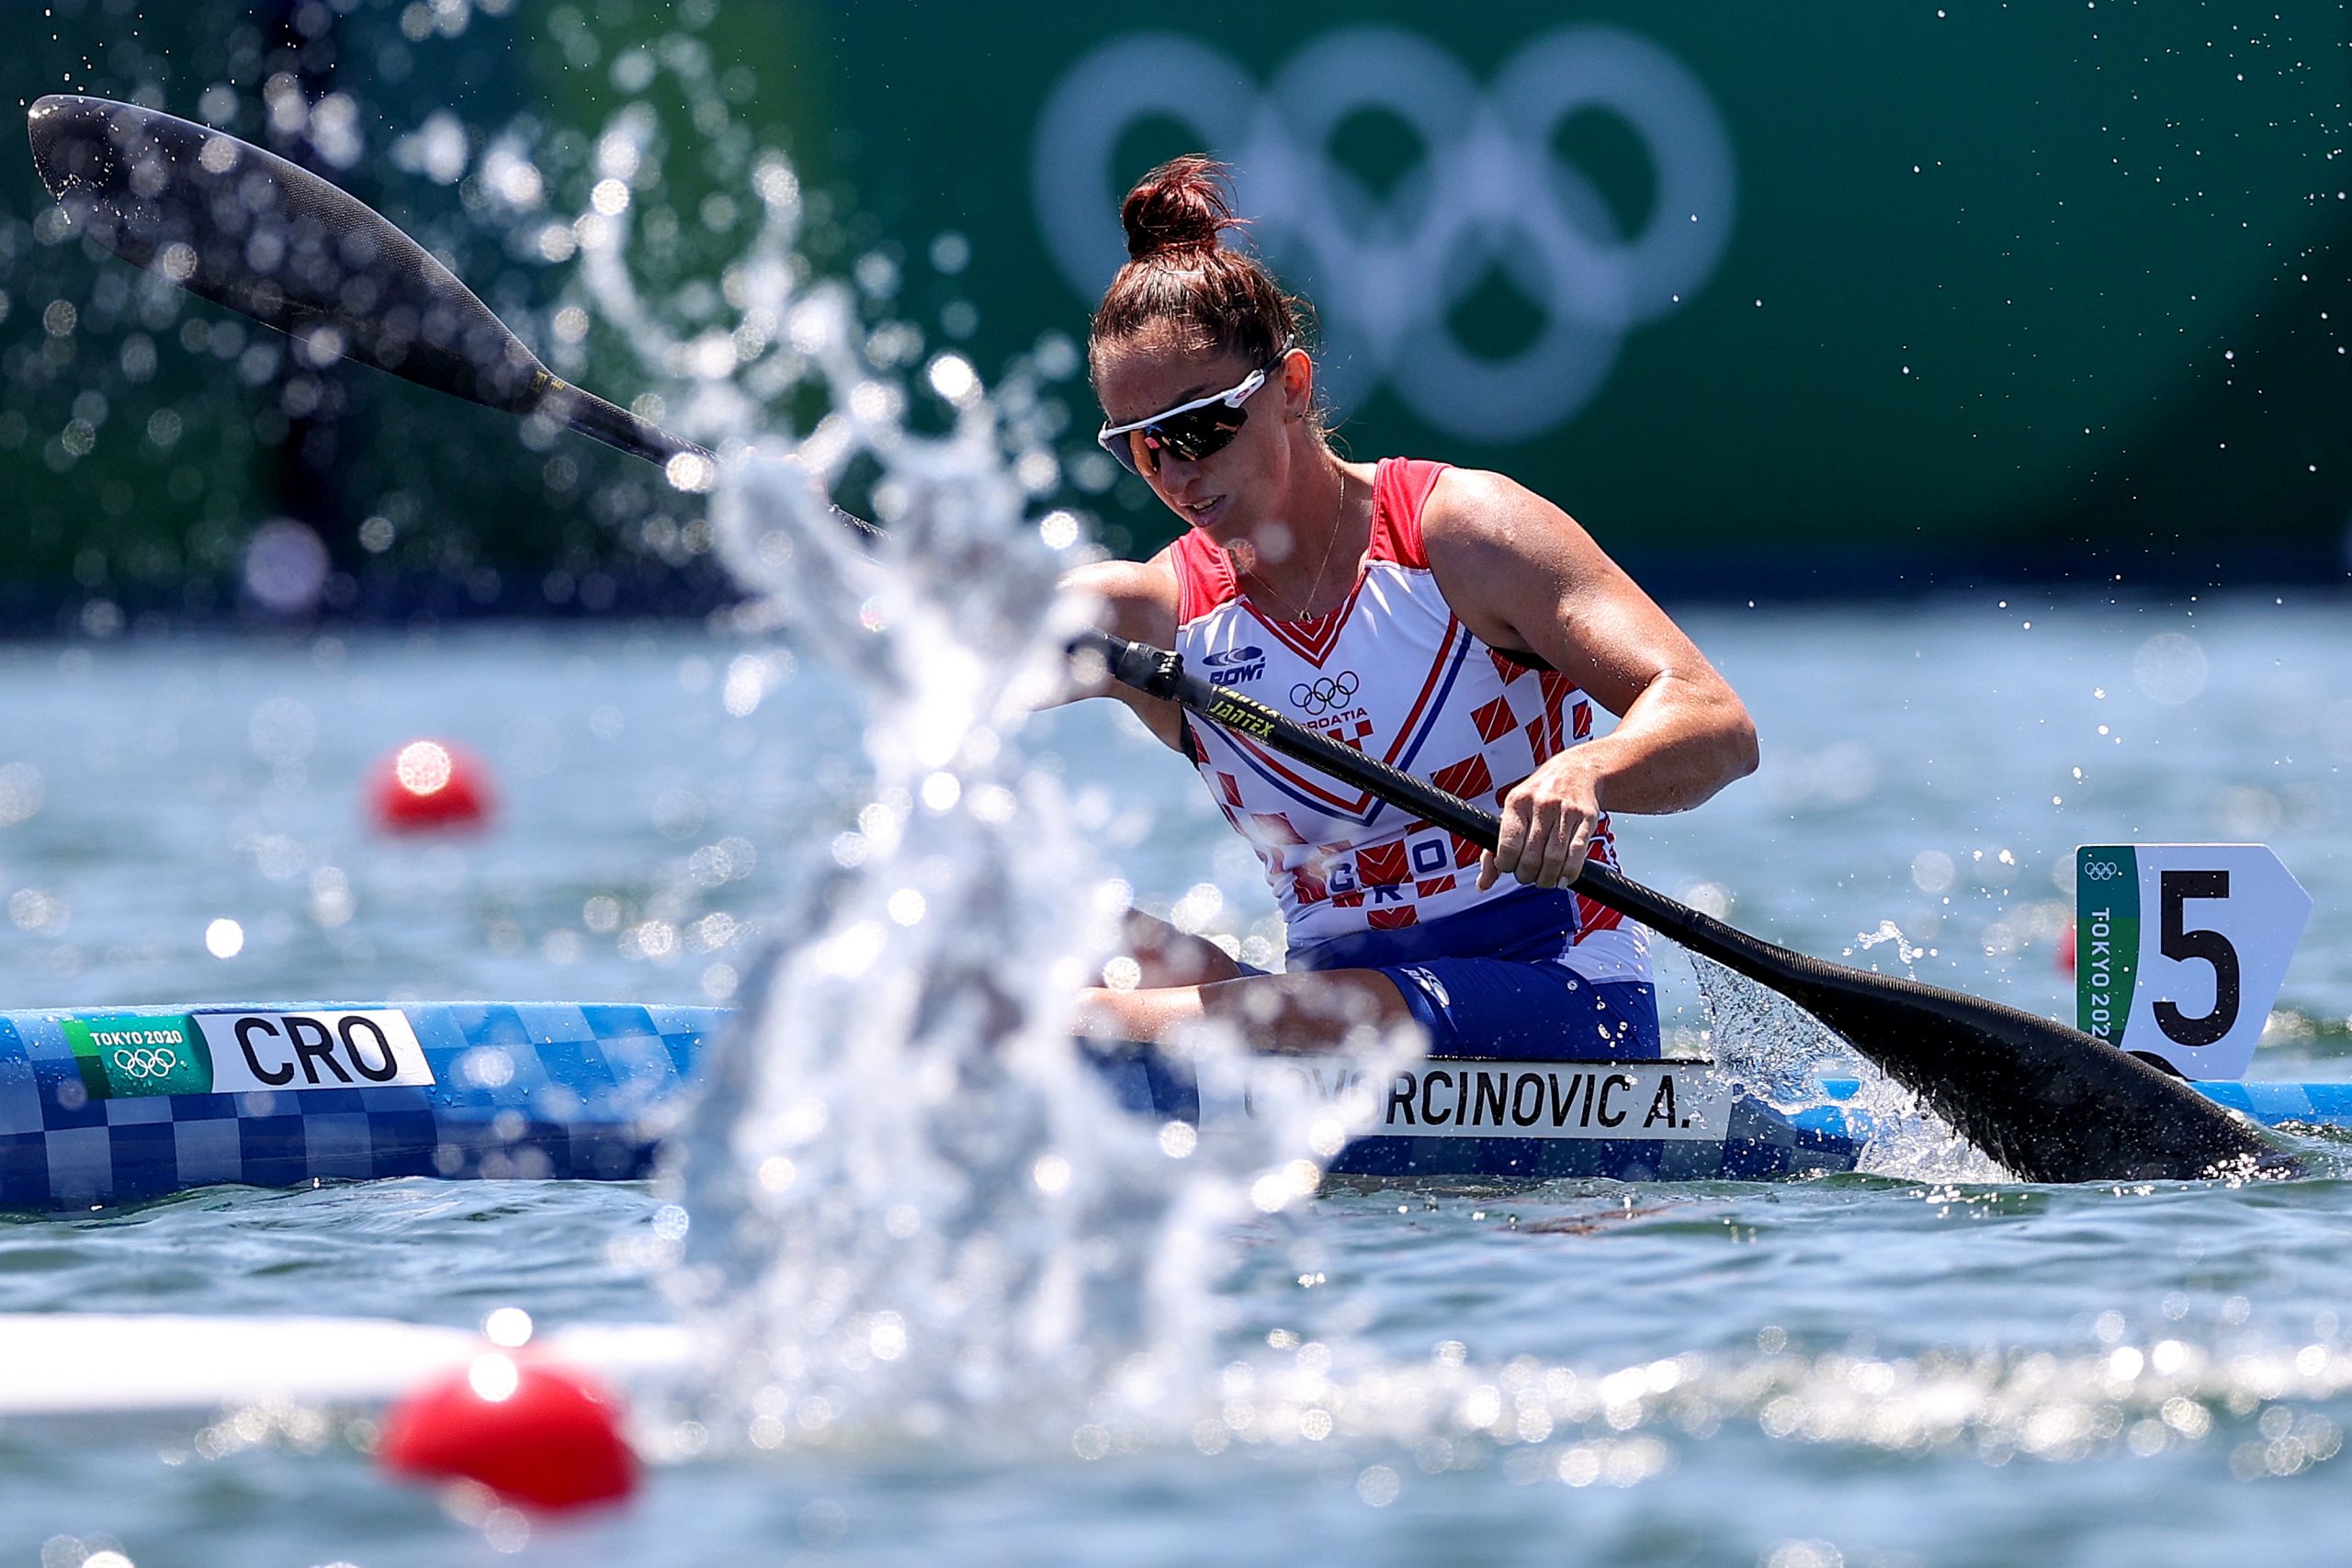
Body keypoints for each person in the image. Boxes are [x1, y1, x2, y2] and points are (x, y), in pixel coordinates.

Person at [1067, 156, 1757, 1060]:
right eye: (1140, 449)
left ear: (1293, 388)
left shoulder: (1465, 538)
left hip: (1561, 994)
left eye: (1198, 427)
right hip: (1338, 1015)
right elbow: (925, 633)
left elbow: (1714, 721)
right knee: (1013, 930)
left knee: (1080, 1028)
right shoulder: (1155, 614)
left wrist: (1589, 773)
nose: (1176, 471)